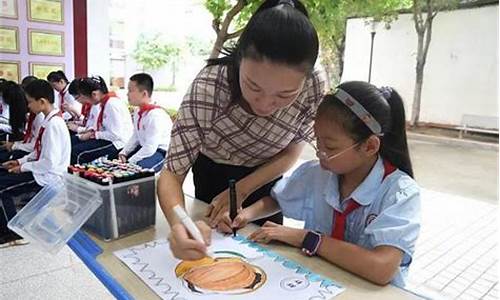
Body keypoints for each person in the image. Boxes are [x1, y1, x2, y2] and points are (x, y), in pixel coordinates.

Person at [160, 0, 326, 261]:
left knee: (265, 260)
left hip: (267, 176)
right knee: (215, 250)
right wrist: (179, 223)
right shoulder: (210, 86)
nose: (265, 105)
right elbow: (172, 173)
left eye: (284, 95)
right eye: (253, 87)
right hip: (214, 172)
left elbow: (292, 152)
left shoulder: (315, 85)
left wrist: (245, 188)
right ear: (239, 58)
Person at [218, 81, 421, 287]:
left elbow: (382, 268)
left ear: (369, 146)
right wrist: (244, 215)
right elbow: (276, 200)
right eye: (317, 141)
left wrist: (308, 239)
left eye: (330, 147)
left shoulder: (399, 194)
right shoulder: (319, 174)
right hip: (317, 282)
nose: (320, 153)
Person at [0, 79, 71, 245]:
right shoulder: (49, 120)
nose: (28, 106)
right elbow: (38, 150)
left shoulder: (53, 124)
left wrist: (23, 167)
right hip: (41, 170)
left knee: (2, 189)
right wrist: (19, 160)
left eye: (30, 102)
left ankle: (12, 233)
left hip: (49, 176)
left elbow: (49, 163)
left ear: (42, 102)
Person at [70, 76, 132, 164]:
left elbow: (115, 134)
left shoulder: (111, 105)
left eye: (85, 98)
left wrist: (93, 135)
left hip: (118, 142)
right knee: (73, 144)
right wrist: (91, 133)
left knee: (77, 153)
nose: (87, 102)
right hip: (108, 137)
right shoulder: (104, 103)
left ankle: (77, 176)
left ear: (94, 94)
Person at [118, 73, 172, 173]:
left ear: (144, 94)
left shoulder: (155, 115)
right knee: (116, 161)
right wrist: (124, 153)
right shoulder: (138, 111)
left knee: (139, 170)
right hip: (145, 148)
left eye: (130, 90)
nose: (127, 94)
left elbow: (150, 147)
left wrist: (130, 161)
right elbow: (136, 136)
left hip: (161, 152)